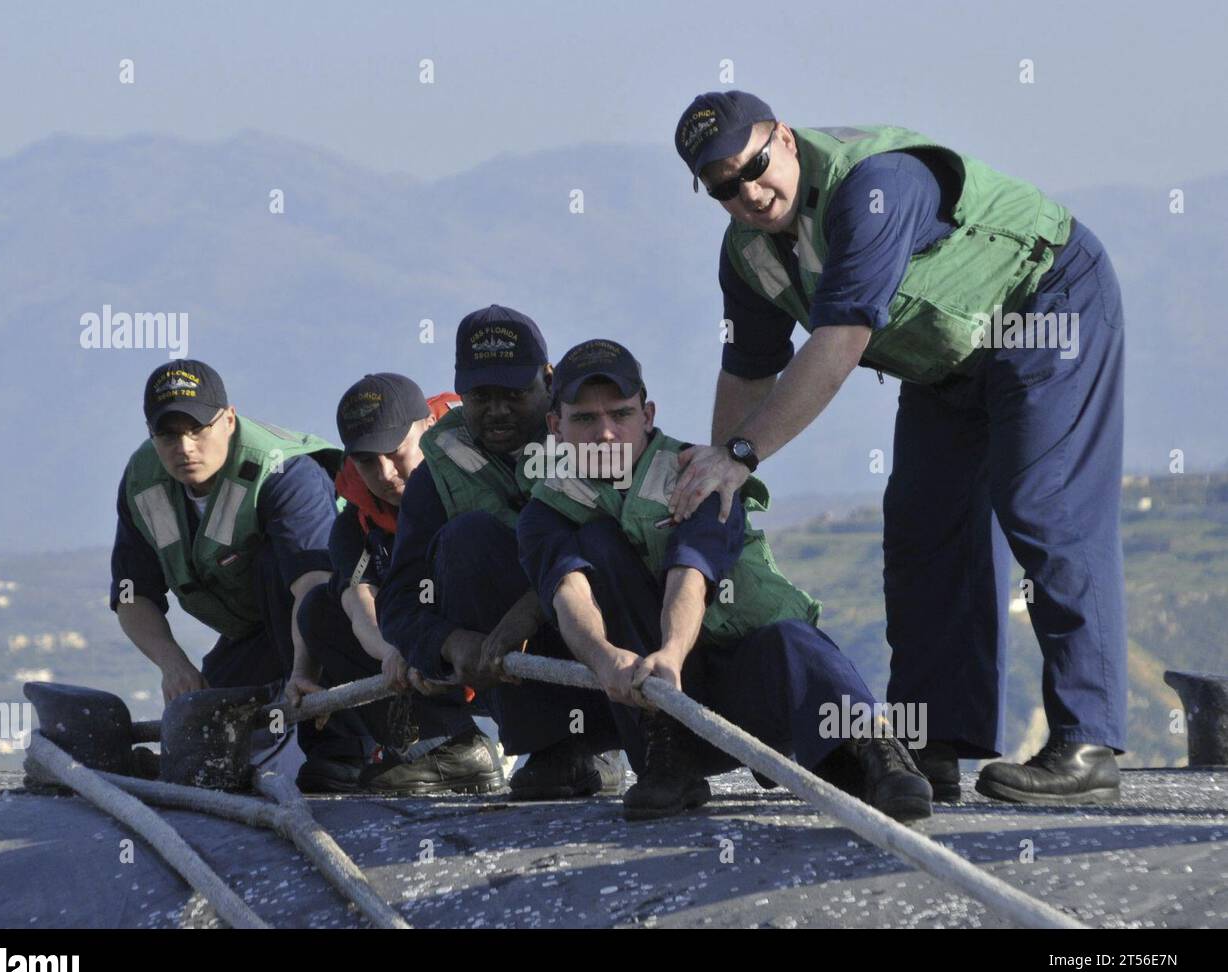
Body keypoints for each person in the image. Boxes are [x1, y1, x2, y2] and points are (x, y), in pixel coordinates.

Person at [669, 91, 1126, 805]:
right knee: (921, 524)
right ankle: (936, 741)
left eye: (754, 166)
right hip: (947, 358)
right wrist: (714, 483)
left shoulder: (872, 188)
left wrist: (743, 455)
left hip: (1045, 307)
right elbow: (749, 371)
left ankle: (1088, 742)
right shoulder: (749, 256)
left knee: (1044, 507)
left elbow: (840, 342)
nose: (748, 191)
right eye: (724, 187)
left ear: (784, 139)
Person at [517, 339, 932, 821]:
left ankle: (876, 750)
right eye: (585, 419)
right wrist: (605, 659)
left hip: (743, 686)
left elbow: (691, 571)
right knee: (600, 543)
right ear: (556, 426)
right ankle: (669, 758)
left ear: (647, 415)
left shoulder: (701, 476)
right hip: (650, 701)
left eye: (620, 414)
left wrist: (671, 654)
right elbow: (570, 592)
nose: (605, 433)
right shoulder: (546, 511)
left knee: (792, 638)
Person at [376, 306, 623, 800]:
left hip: (605, 654)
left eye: (514, 394)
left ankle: (603, 744)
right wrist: (448, 641)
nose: (497, 411)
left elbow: (627, 553)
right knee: (467, 537)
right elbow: (400, 603)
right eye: (480, 397)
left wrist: (529, 612)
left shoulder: (602, 440)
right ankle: (550, 747)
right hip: (511, 673)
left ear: (549, 381)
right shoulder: (436, 476)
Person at [110, 360, 339, 759]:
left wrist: (303, 674)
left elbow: (313, 585)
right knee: (203, 737)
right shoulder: (143, 482)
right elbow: (132, 593)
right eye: (168, 435)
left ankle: (337, 753)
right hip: (253, 634)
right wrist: (174, 666)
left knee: (276, 564)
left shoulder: (283, 473)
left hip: (334, 627)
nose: (184, 448)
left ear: (228, 420)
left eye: (197, 430)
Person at [288, 373, 504, 794]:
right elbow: (358, 604)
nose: (385, 474)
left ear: (428, 428)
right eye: (368, 461)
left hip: (504, 639)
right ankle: (445, 747)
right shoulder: (357, 526)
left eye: (395, 453)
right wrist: (396, 653)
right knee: (321, 607)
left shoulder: (487, 469)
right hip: (430, 660)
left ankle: (581, 744)